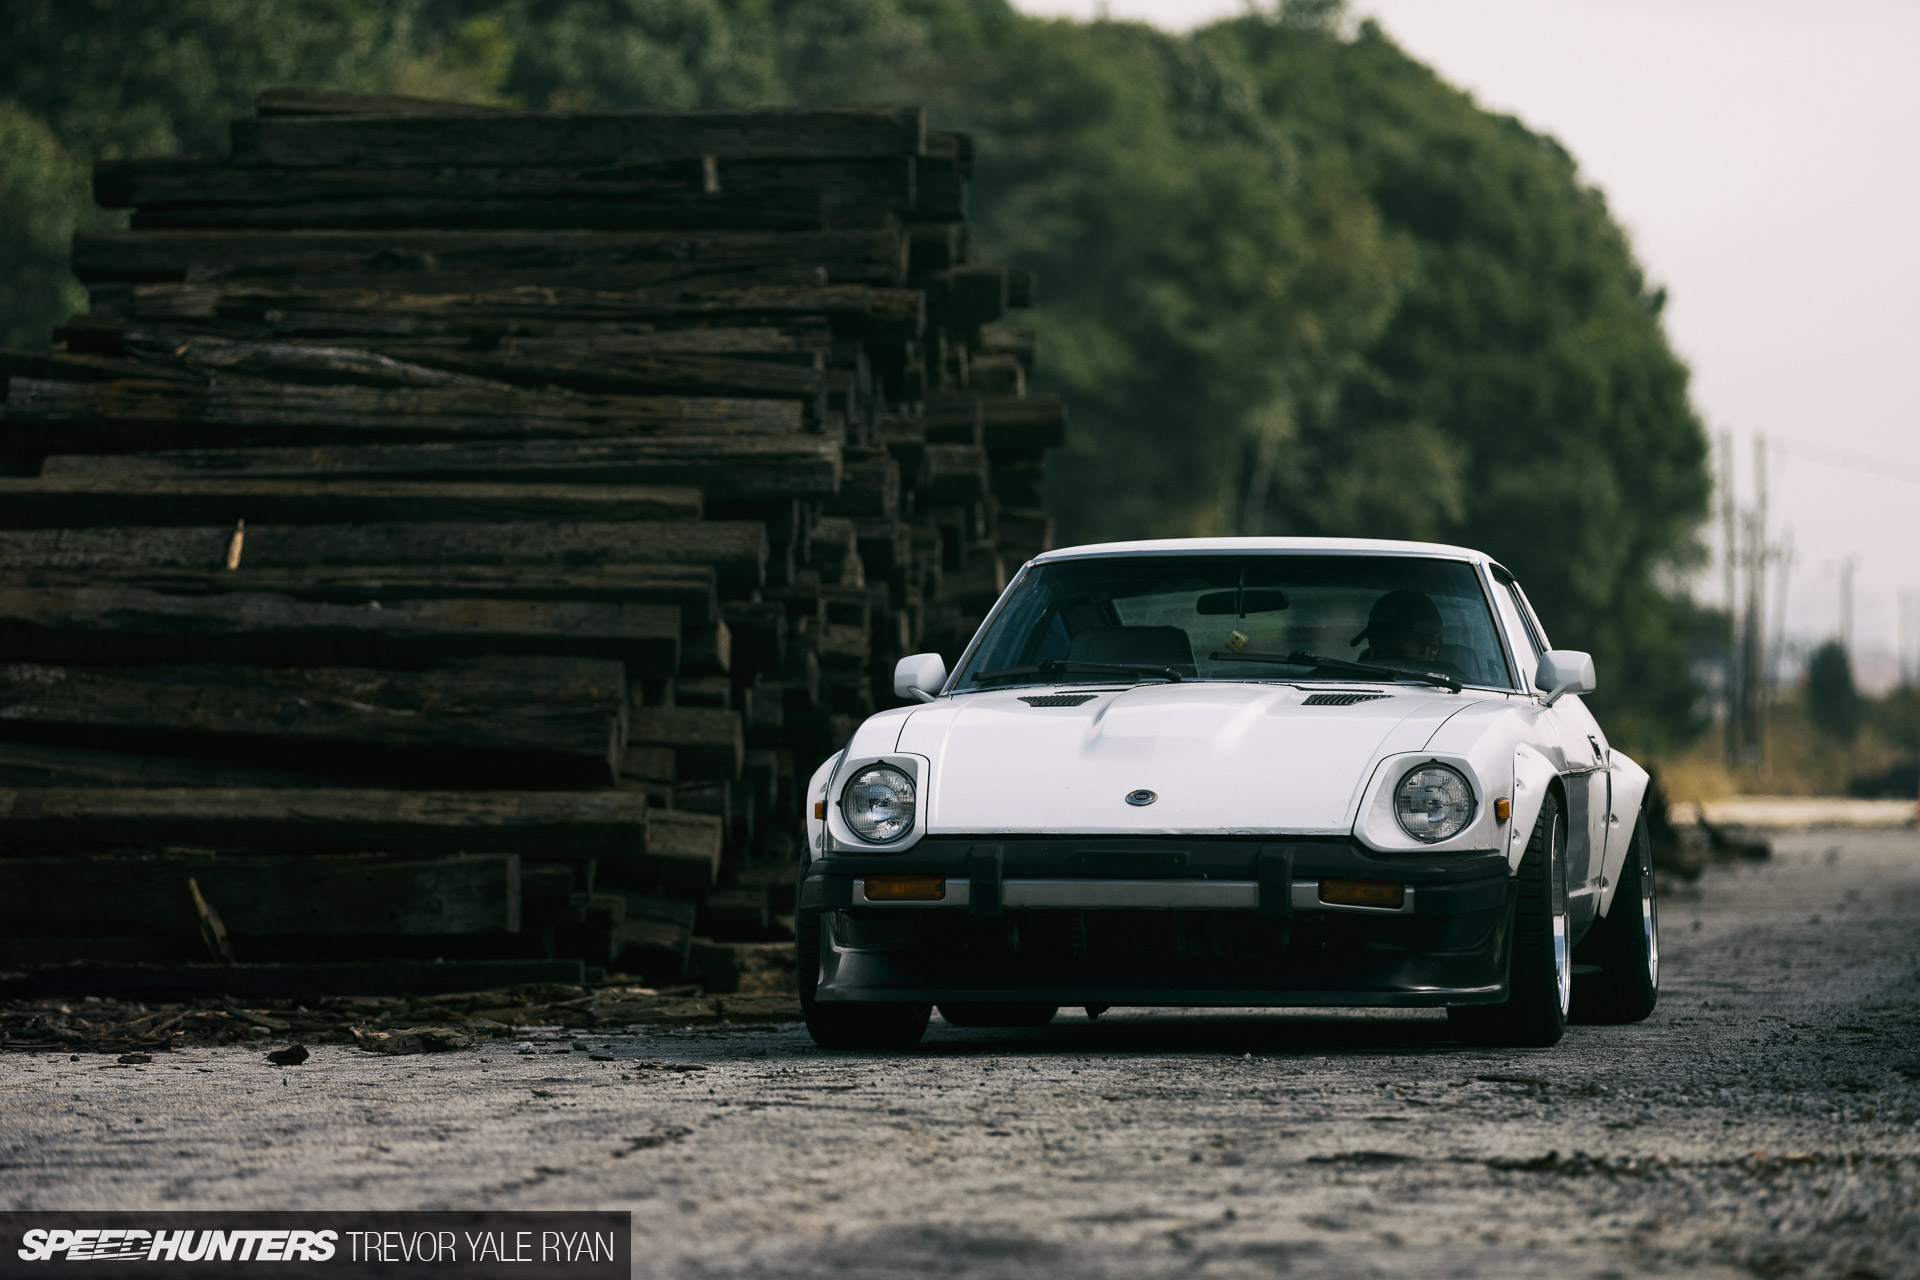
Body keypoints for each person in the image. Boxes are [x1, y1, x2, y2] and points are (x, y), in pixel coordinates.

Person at [1352, 589, 1443, 664]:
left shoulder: (1447, 685)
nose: (1384, 662)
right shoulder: (1358, 677)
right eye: (1377, 651)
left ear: (1433, 647)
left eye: (1397, 655)